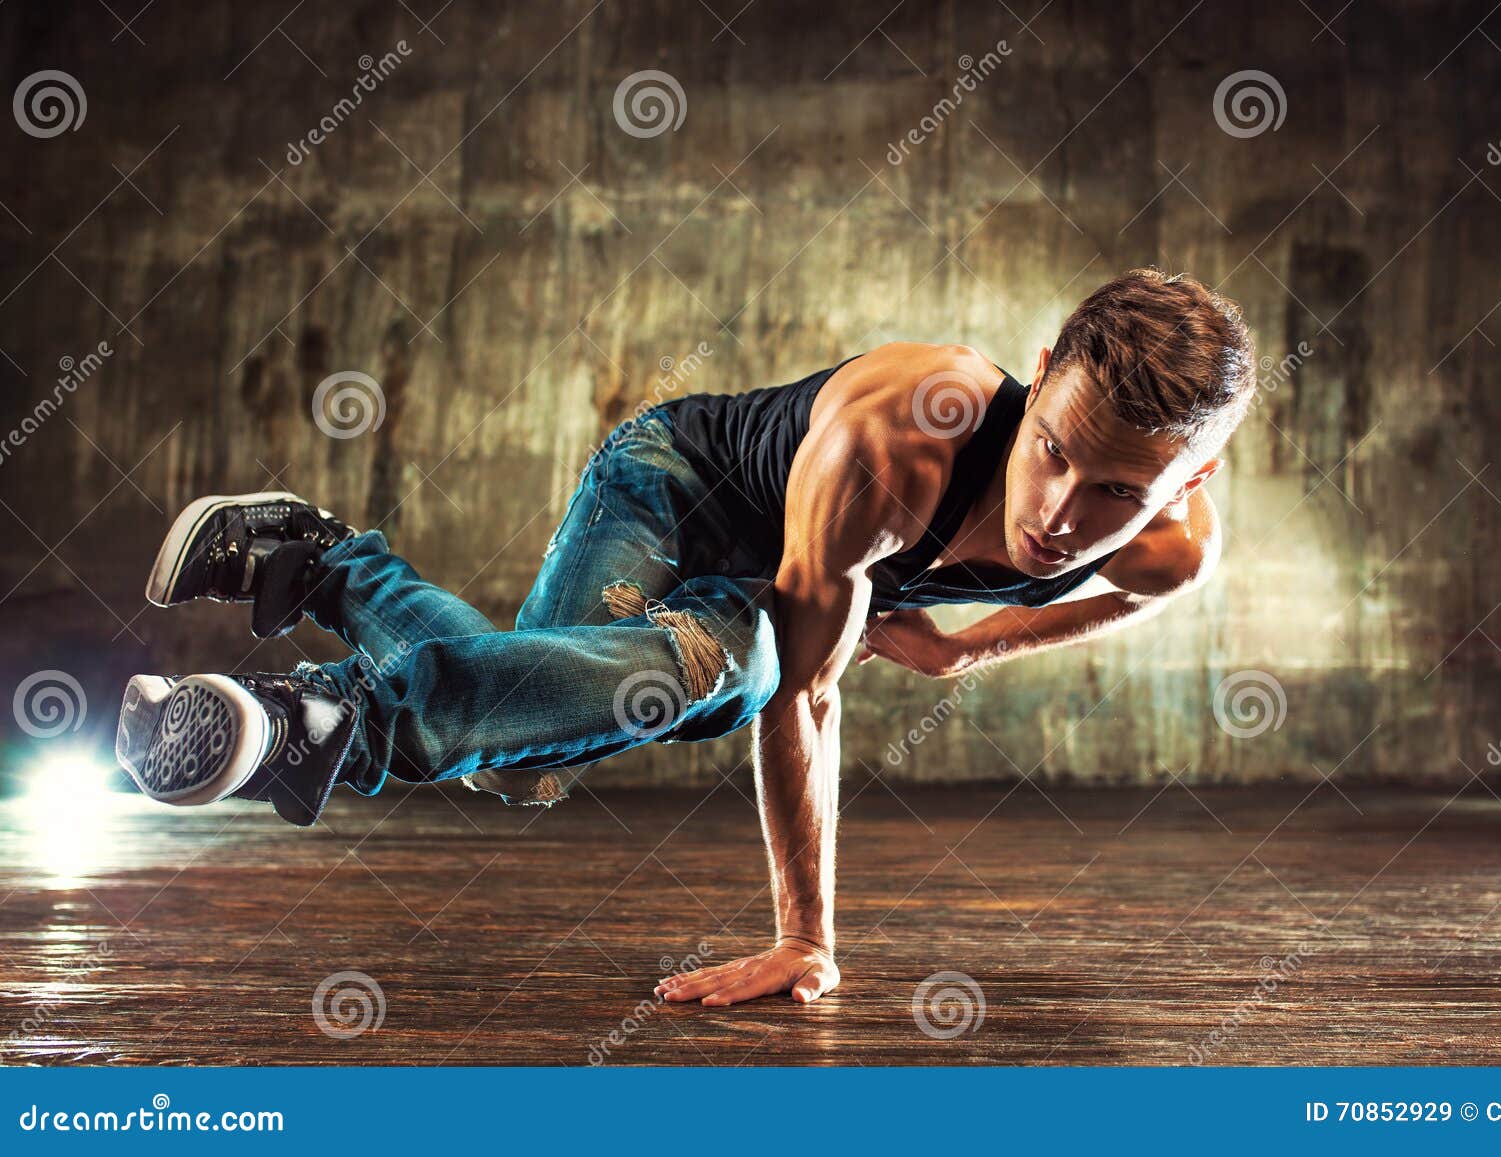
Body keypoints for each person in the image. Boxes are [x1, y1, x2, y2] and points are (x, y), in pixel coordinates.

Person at [115, 268, 1255, 1007]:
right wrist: (806, 937)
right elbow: (802, 693)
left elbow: (1118, 591)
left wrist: (964, 651)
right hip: (671, 486)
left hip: (773, 582)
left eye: (1116, 489)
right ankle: (307, 720)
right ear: (1042, 376)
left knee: (531, 761)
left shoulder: (1168, 553)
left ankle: (322, 560)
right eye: (1051, 450)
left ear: (1191, 477)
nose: (1059, 515)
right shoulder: (903, 440)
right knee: (749, 661)